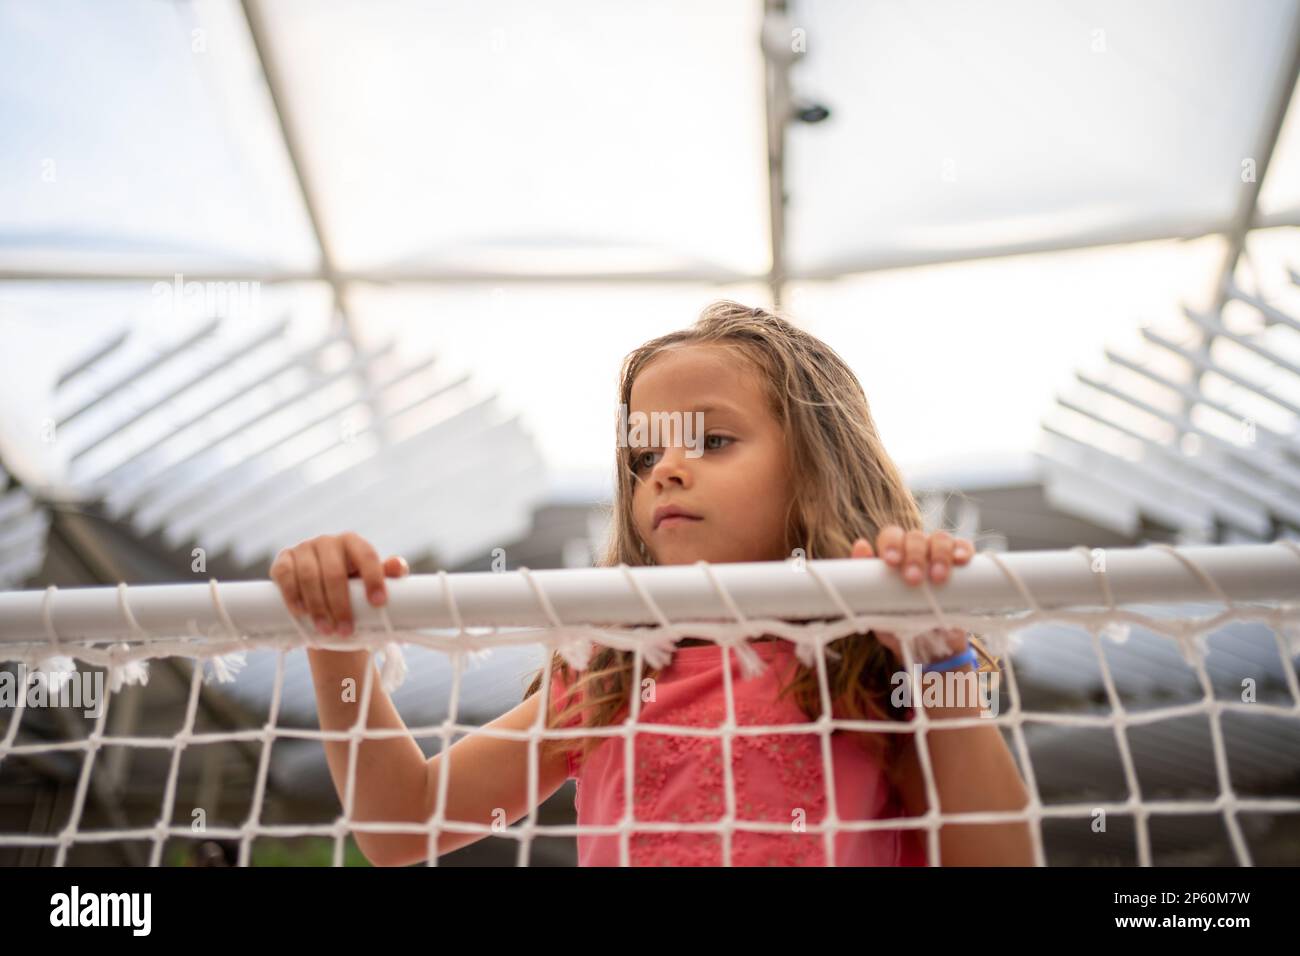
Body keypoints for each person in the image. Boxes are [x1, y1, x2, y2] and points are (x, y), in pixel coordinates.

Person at [270, 300, 1033, 867]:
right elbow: (403, 822)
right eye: (643, 457)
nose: (665, 468)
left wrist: (940, 667)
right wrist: (336, 638)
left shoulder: (873, 660)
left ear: (815, 468)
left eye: (712, 440)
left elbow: (995, 859)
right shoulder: (607, 679)